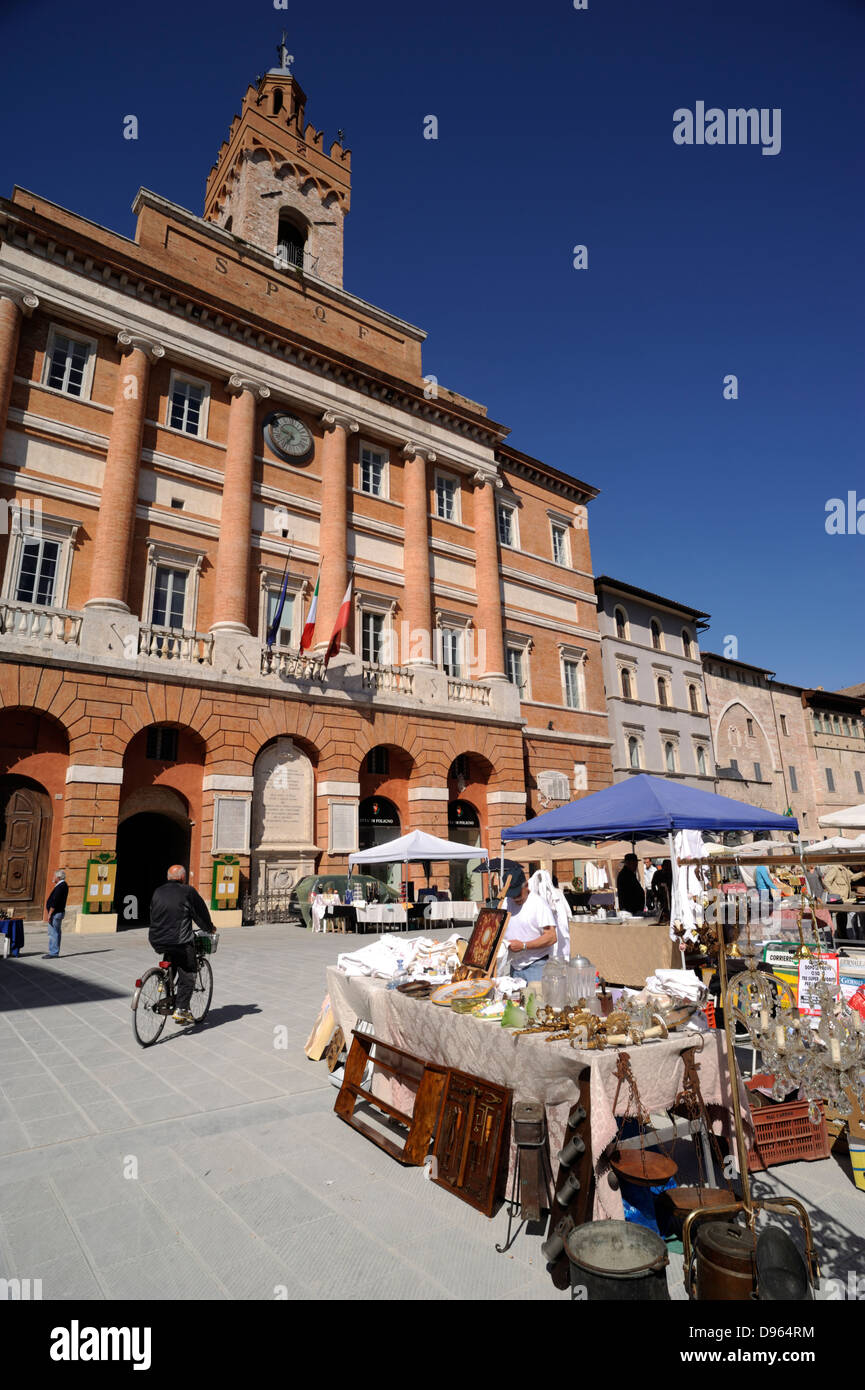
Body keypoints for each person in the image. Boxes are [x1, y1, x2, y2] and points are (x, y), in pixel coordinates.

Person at [148, 865, 215, 1025]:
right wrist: (209, 927)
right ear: (183, 878)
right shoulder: (188, 891)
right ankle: (181, 1009)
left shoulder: (158, 891)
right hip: (180, 941)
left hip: (156, 939)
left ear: (168, 877)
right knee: (189, 973)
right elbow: (199, 913)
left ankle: (163, 980)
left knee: (171, 954)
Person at [500, 868, 557, 982]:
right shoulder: (506, 902)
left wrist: (524, 945)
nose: (515, 898)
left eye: (518, 893)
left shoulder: (538, 904)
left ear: (526, 885)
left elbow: (551, 937)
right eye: (512, 895)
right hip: (515, 966)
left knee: (537, 999)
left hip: (536, 966)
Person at [43, 869, 68, 959]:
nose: (53, 878)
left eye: (54, 876)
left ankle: (53, 952)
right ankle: (54, 951)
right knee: (55, 932)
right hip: (58, 912)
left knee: (53, 932)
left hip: (56, 913)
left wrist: (50, 913)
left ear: (58, 877)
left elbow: (55, 901)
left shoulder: (61, 886)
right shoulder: (62, 885)